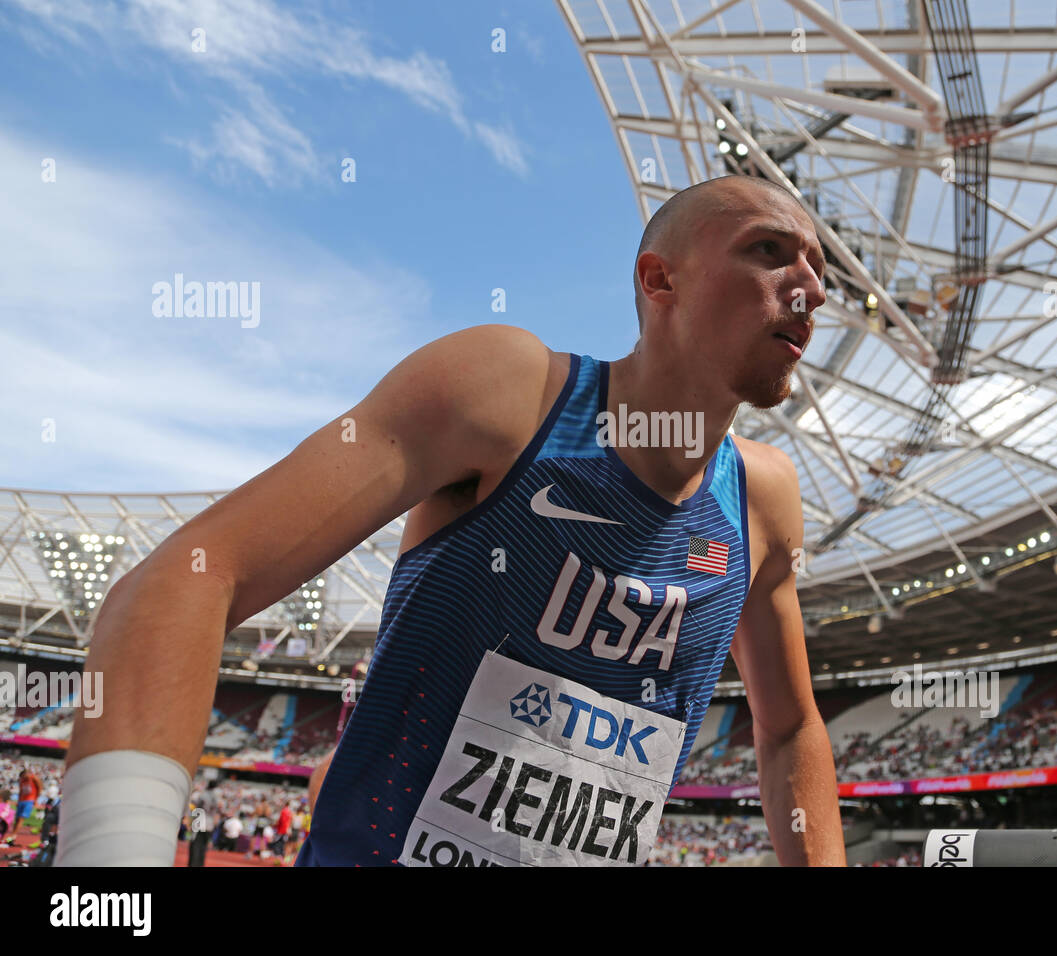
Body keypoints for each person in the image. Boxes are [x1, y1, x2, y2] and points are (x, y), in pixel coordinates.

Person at [56, 174, 846, 867]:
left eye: (821, 269)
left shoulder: (762, 501)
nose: (810, 287)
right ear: (659, 279)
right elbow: (186, 579)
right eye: (769, 251)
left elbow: (789, 731)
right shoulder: (507, 394)